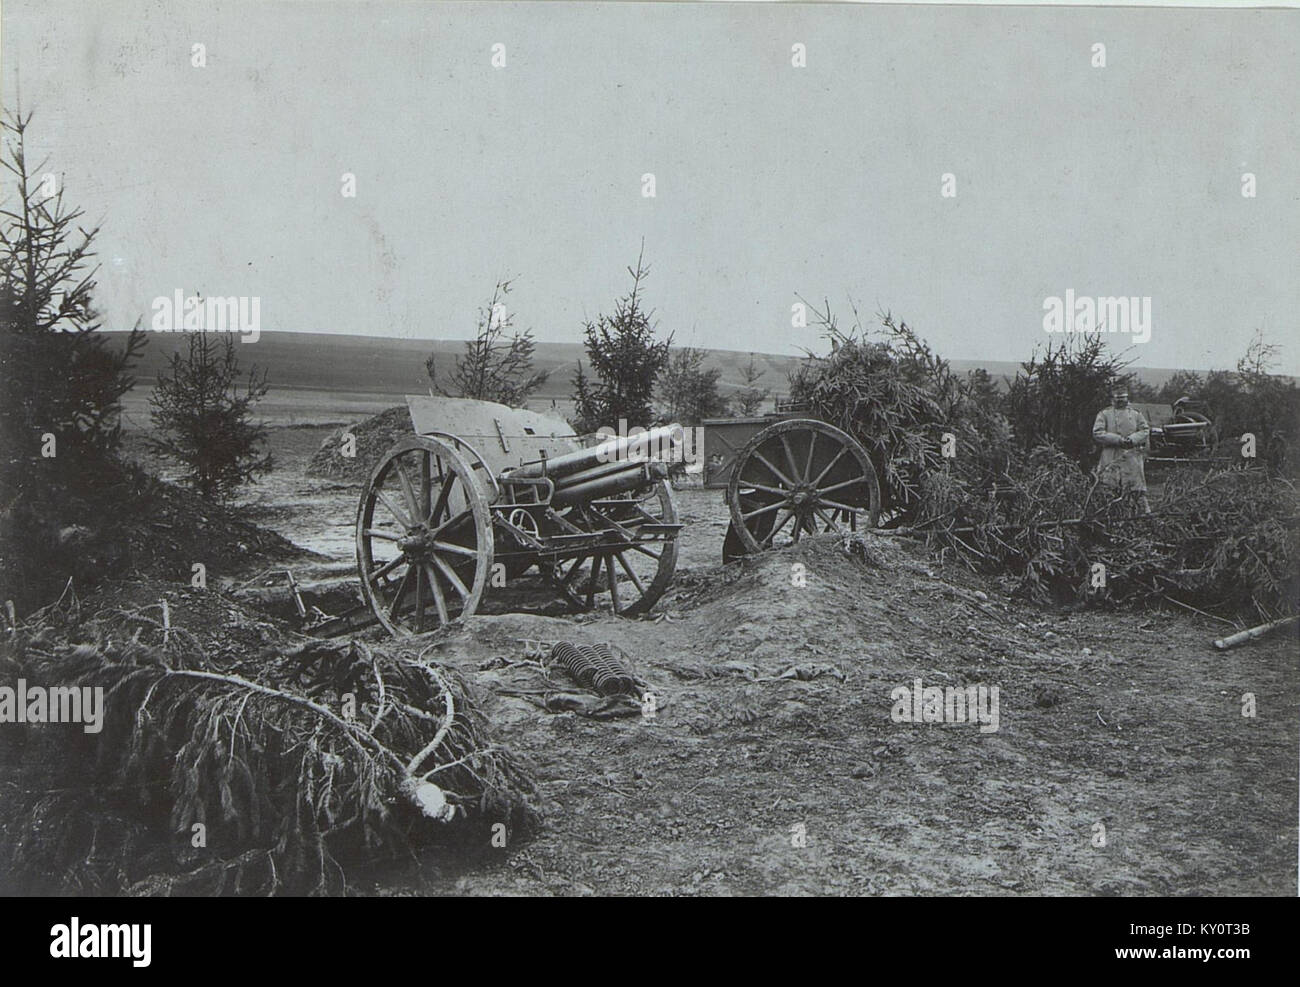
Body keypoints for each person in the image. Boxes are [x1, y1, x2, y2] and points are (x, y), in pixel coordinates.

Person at [1093, 385, 1151, 514]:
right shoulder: (1104, 414)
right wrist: (1117, 439)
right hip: (1111, 454)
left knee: (1136, 486)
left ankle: (1141, 514)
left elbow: (1145, 430)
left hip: (1131, 454)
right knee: (1109, 485)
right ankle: (1109, 513)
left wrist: (1132, 439)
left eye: (1123, 398)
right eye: (1118, 399)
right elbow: (1097, 432)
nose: (1121, 401)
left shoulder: (1136, 414)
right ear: (1112, 399)